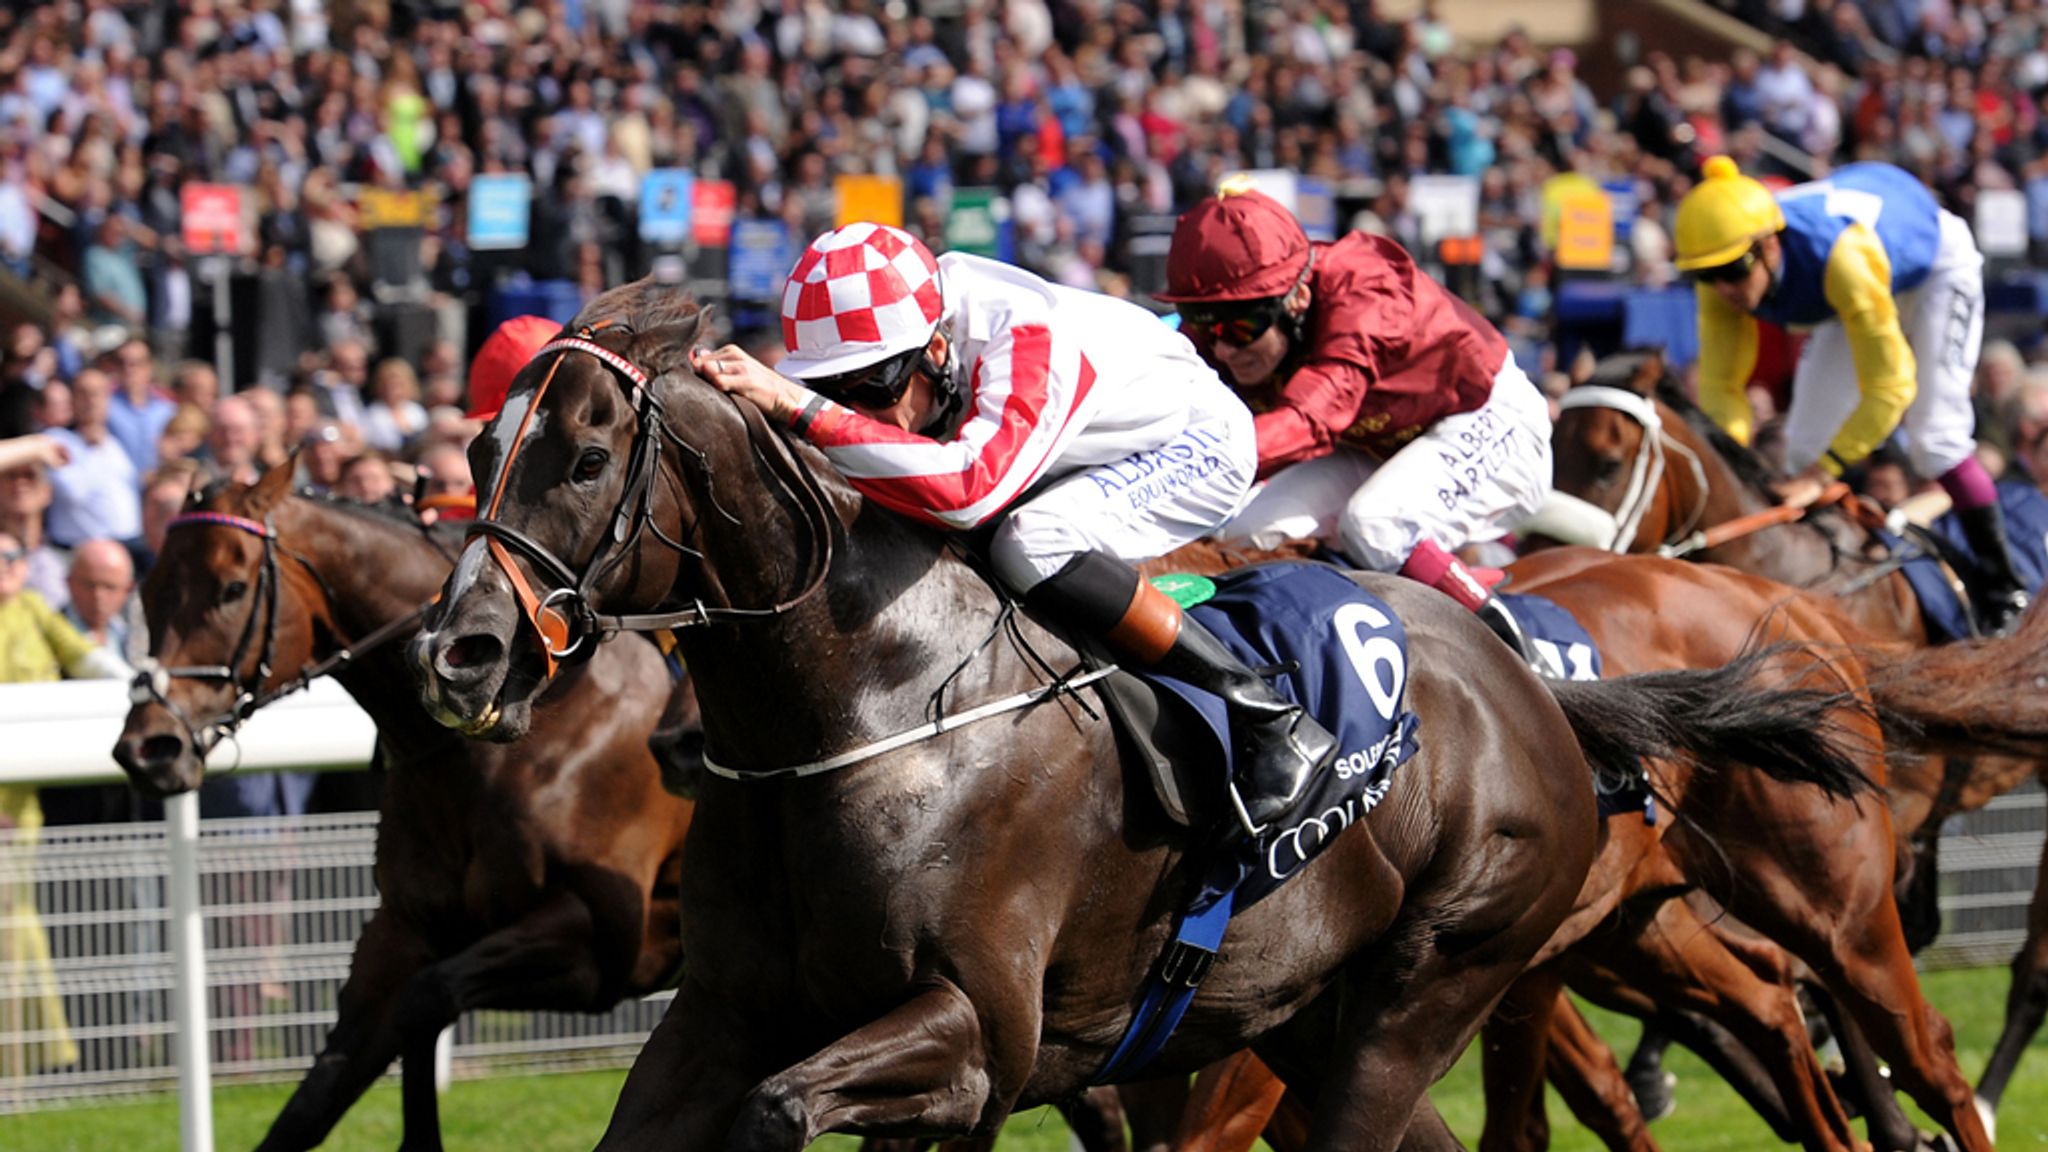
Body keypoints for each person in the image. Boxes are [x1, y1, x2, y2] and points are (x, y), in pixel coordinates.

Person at [694, 222, 1332, 835]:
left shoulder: (1025, 337)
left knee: (1030, 542)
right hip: (1074, 446)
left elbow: (968, 492)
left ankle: (1269, 718)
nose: (858, 412)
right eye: (831, 388)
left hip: (1194, 444)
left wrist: (804, 406)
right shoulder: (920, 334)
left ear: (936, 349)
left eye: (872, 387)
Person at [1154, 181, 1553, 660]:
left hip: (1487, 417)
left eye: (1240, 328)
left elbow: (1310, 420)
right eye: (1203, 325)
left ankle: (1519, 660)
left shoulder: (1365, 290)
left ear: (1297, 297)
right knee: (1249, 531)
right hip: (1375, 443)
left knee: (1376, 525)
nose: (1221, 348)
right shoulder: (1251, 315)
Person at [1674, 155, 2032, 634]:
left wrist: (1824, 473)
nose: (1723, 288)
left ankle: (2005, 590)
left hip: (1930, 269)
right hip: (1852, 278)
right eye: (1705, 274)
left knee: (1935, 437)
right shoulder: (1726, 267)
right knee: (1803, 445)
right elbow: (1721, 388)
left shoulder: (1842, 256)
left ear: (1768, 246)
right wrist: (1732, 463)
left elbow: (1892, 385)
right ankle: (1835, 570)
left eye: (1734, 270)